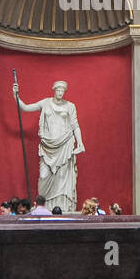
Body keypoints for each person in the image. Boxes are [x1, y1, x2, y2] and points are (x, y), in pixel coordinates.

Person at [13, 80, 85, 211]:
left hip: (65, 143)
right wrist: (16, 96)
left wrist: (80, 142)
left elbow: (75, 125)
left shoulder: (70, 106)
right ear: (54, 90)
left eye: (62, 91)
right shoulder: (45, 103)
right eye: (58, 90)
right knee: (44, 176)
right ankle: (42, 206)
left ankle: (63, 207)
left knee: (63, 177)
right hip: (48, 146)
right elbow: (26, 107)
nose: (60, 93)